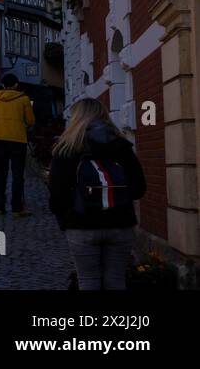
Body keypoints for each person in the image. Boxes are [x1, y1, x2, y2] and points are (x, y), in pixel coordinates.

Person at [48, 98, 146, 290]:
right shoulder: (122, 146)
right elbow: (139, 188)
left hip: (81, 225)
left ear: (76, 118)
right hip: (120, 223)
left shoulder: (66, 149)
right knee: (116, 280)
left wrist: (65, 220)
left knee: (88, 280)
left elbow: (57, 193)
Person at [0, 74, 36, 216]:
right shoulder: (23, 99)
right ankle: (17, 208)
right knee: (18, 174)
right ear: (16, 84)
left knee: (1, 173)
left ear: (2, 84)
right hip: (18, 140)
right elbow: (31, 121)